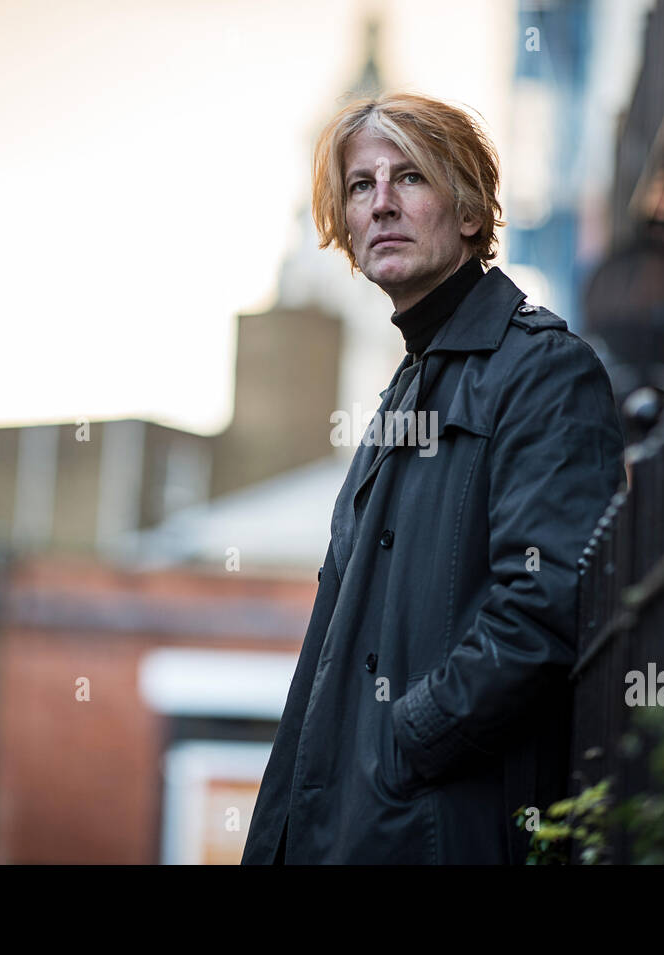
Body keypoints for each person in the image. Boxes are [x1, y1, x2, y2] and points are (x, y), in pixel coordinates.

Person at [241, 92, 626, 864]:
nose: (381, 202)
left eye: (410, 177)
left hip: (436, 836)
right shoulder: (401, 396)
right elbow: (327, 666)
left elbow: (544, 609)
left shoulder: (544, 373)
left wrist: (401, 743)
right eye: (360, 186)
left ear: (471, 211)